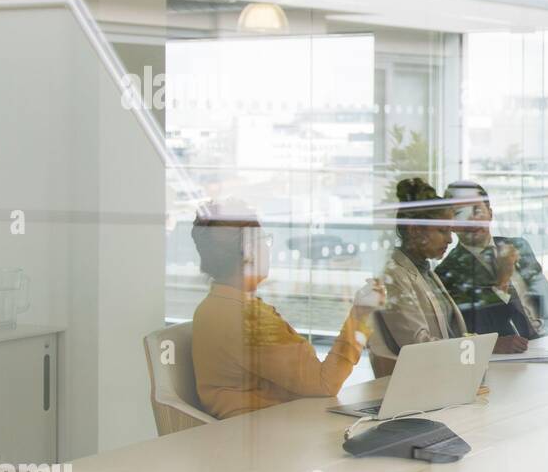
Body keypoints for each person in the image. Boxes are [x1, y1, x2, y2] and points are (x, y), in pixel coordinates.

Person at [190, 200, 384, 420]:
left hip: (247, 432)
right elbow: (325, 383)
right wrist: (360, 315)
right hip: (274, 435)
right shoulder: (249, 319)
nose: (268, 247)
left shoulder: (210, 307)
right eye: (264, 239)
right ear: (249, 250)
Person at [372, 178, 526, 378]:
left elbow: (451, 333)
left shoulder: (425, 272)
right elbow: (419, 346)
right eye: (442, 230)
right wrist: (486, 346)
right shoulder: (394, 278)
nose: (450, 238)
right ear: (415, 230)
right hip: (421, 386)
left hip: (445, 379)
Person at [436, 180, 548, 338]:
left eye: (477, 210)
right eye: (460, 213)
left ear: (490, 213)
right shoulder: (448, 272)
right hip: (517, 353)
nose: (471, 220)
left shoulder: (519, 245)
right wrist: (503, 281)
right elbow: (479, 330)